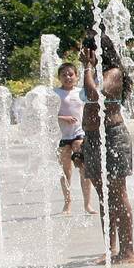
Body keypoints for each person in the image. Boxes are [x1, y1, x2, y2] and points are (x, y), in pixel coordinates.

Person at [80, 30, 134, 265]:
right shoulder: (95, 72)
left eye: (85, 49)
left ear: (96, 51)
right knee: (104, 196)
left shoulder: (114, 73)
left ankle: (128, 251)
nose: (82, 54)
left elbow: (95, 97)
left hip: (112, 137)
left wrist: (87, 68)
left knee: (118, 194)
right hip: (92, 138)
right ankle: (109, 248)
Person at [55, 62, 95, 215]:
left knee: (84, 170)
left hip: (79, 134)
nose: (67, 77)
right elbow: (48, 115)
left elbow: (91, 108)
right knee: (66, 172)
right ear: (59, 77)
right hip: (62, 137)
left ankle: (87, 204)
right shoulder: (56, 93)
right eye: (64, 74)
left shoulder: (81, 92)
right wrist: (62, 117)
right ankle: (67, 203)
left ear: (76, 76)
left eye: (71, 74)